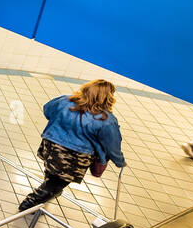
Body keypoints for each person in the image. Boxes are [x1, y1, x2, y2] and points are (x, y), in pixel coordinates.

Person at [19, 79, 126, 212]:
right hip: (75, 156)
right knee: (57, 183)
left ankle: (43, 198)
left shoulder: (65, 101)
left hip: (51, 145)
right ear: (107, 97)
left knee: (52, 174)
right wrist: (119, 161)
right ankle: (29, 204)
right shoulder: (106, 119)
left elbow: (47, 110)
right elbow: (112, 144)